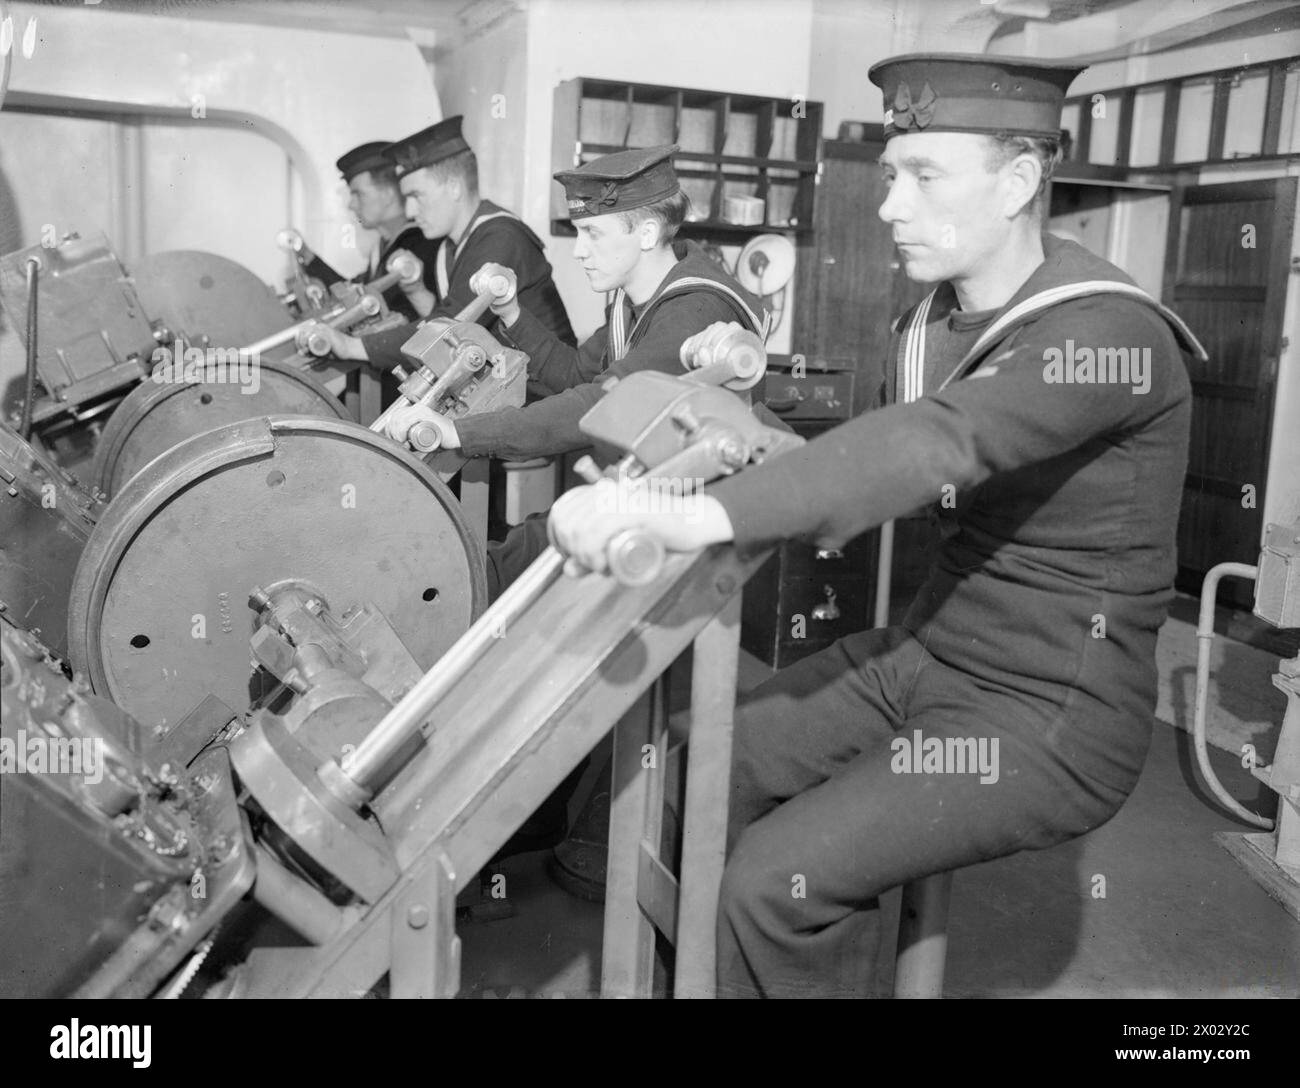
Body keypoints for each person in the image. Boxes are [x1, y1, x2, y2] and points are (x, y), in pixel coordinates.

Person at [547, 53, 1205, 997]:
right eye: (893, 174)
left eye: (925, 175)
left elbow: (943, 442)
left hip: (1050, 709)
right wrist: (726, 440)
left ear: (1019, 181)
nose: (891, 204)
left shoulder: (1106, 334)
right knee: (702, 760)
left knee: (775, 884)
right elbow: (872, 450)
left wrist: (687, 513)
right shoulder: (930, 319)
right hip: (929, 653)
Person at [447, 145, 772, 596]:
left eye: (593, 234)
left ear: (646, 233)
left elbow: (601, 403)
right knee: (518, 551)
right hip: (653, 487)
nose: (580, 252)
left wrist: (461, 434)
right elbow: (576, 374)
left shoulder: (691, 308)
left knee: (521, 558)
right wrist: (511, 313)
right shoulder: (631, 298)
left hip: (701, 512)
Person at [311, 116, 575, 370]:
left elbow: (447, 329)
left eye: (417, 195)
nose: (411, 211)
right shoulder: (452, 244)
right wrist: (415, 290)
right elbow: (451, 326)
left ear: (454, 187)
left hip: (542, 393)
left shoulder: (500, 236)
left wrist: (352, 346)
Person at [288, 141, 442, 322]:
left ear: (388, 194)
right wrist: (309, 257)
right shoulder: (385, 245)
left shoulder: (421, 244)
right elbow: (355, 292)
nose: (351, 204)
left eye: (358, 194)